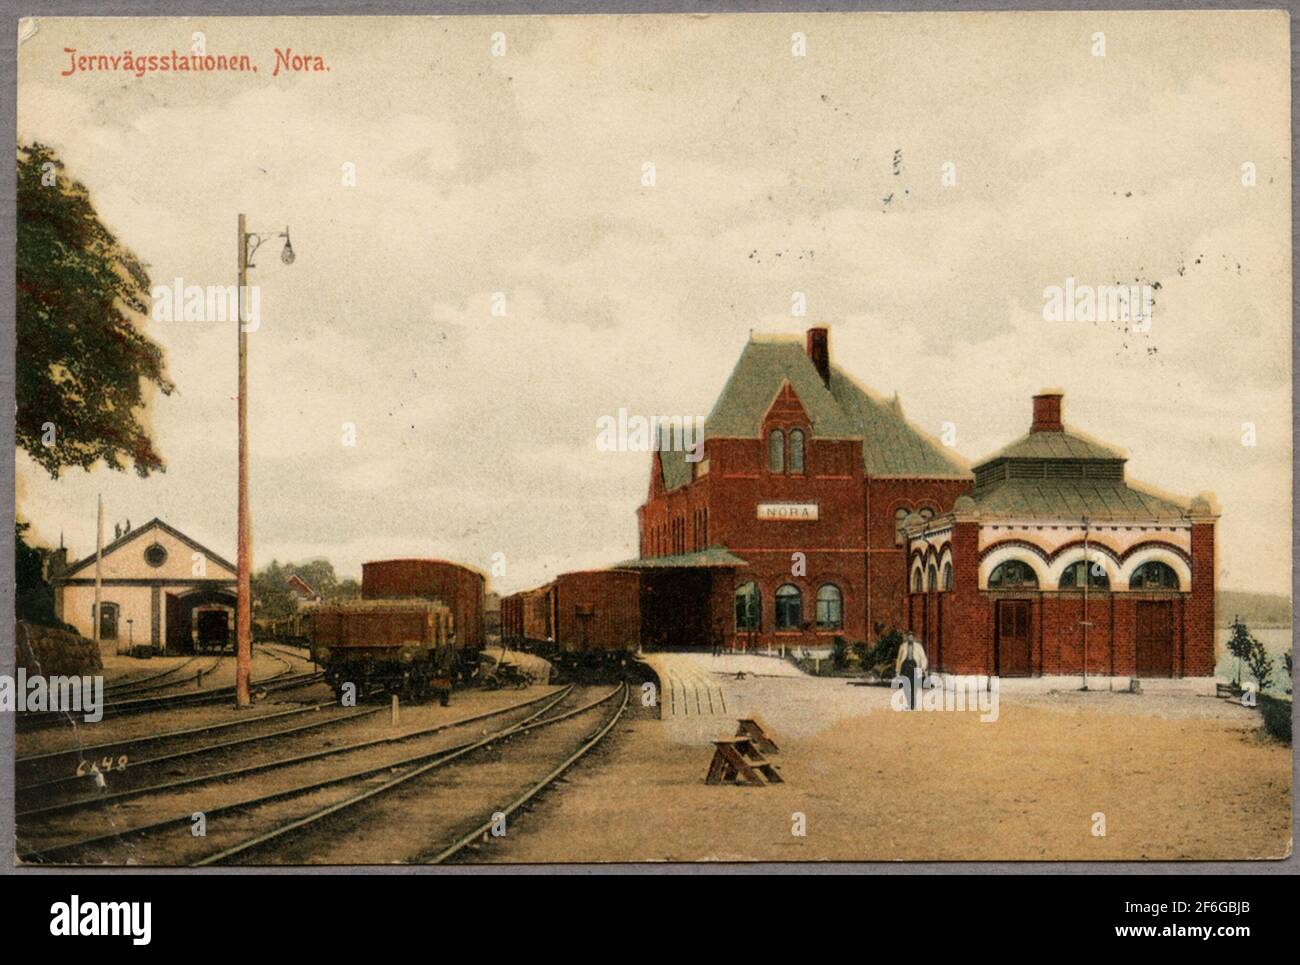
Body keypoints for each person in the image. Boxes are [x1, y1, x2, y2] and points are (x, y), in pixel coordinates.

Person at [894, 631, 928, 710]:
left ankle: (912, 705)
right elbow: (899, 659)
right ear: (907, 637)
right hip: (905, 666)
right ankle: (909, 703)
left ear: (914, 638)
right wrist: (897, 670)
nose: (910, 638)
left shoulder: (918, 646)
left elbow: (923, 657)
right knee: (905, 686)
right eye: (909, 636)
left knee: (913, 687)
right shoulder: (902, 646)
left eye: (912, 636)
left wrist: (923, 667)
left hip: (914, 666)